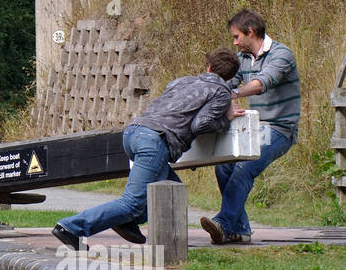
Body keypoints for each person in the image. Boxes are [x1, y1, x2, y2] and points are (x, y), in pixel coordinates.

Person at [52, 48, 240, 250]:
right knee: (131, 203)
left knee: (173, 195)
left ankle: (127, 221)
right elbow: (201, 125)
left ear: (208, 66)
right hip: (154, 142)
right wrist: (226, 120)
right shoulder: (221, 92)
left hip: (133, 132)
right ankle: (71, 227)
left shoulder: (181, 81)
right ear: (229, 77)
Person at [200, 9, 300, 246]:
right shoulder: (243, 59)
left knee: (244, 167)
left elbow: (261, 84)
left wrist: (232, 94)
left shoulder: (281, 54)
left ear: (250, 32)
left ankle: (224, 223)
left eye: (236, 37)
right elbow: (226, 82)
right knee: (223, 166)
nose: (234, 42)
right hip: (253, 126)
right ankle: (240, 229)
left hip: (279, 129)